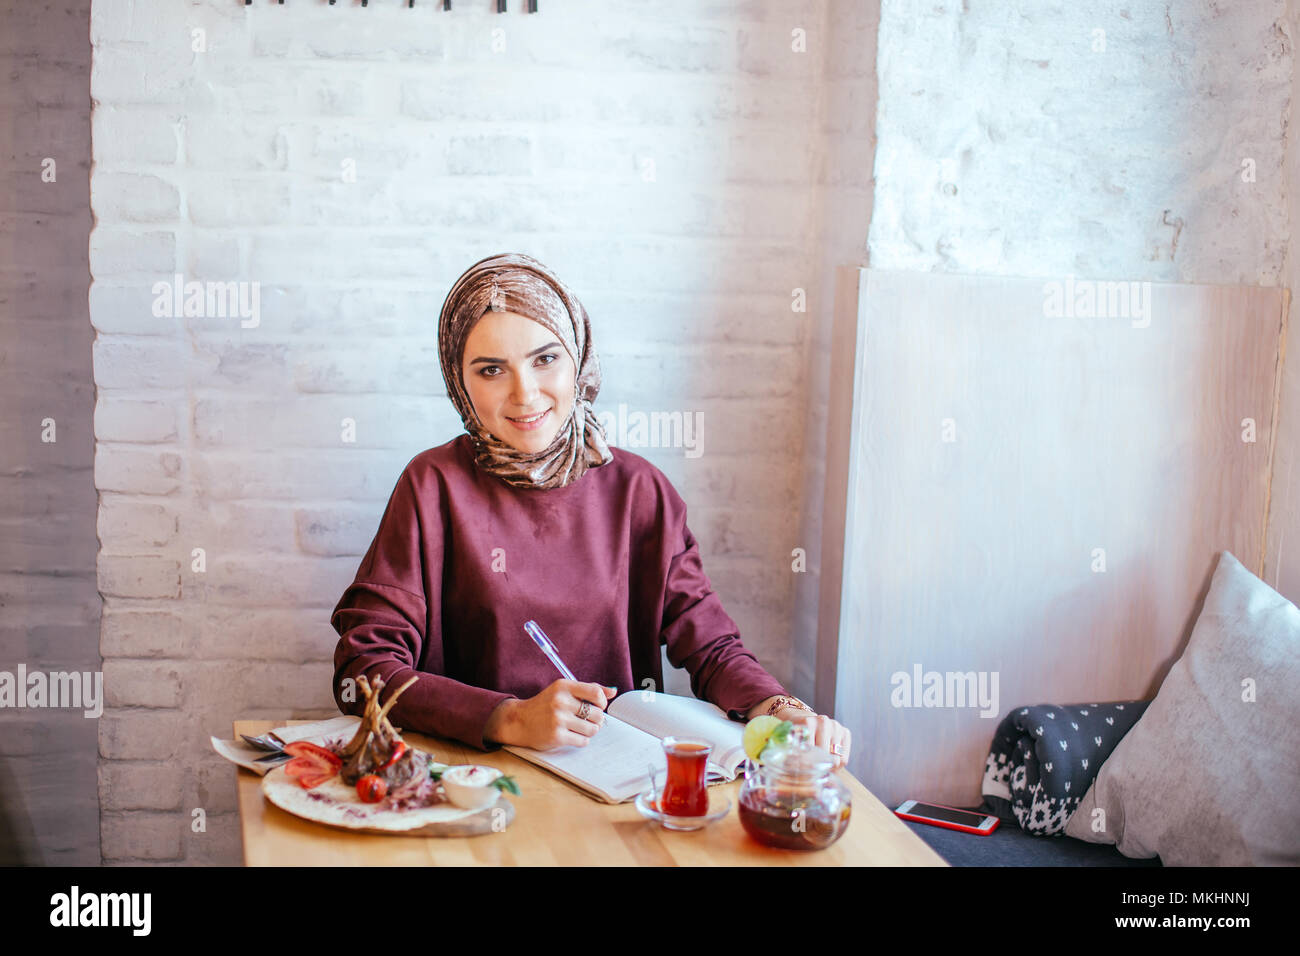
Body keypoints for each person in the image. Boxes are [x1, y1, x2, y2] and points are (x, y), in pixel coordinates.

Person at [330, 253, 852, 768]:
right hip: (471, 784)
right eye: (491, 370)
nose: (525, 393)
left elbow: (711, 645)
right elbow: (362, 672)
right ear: (459, 382)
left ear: (577, 358)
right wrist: (508, 718)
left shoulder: (639, 491)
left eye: (545, 359)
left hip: (616, 788)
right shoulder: (432, 486)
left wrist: (776, 707)